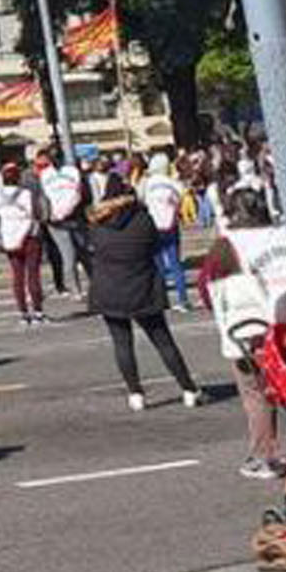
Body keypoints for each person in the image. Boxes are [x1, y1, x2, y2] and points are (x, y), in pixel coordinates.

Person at [203, 188, 286, 478]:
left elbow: (208, 287)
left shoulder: (227, 244)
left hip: (249, 329)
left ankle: (264, 455)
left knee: (256, 394)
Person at [89, 175, 202, 412]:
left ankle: (135, 393)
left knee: (122, 343)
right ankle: (188, 388)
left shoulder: (98, 225)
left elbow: (93, 252)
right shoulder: (143, 220)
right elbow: (155, 246)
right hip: (142, 285)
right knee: (163, 340)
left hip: (109, 287)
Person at [0, 165, 47, 326]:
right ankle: (38, 311)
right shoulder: (26, 194)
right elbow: (34, 215)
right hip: (28, 237)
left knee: (17, 277)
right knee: (33, 274)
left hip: (9, 239)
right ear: (19, 178)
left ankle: (23, 312)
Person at [140, 153, 192, 311]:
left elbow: (142, 200)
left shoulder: (147, 183)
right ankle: (183, 299)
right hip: (171, 225)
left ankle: (161, 300)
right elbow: (182, 197)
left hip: (154, 226)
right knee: (176, 263)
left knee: (158, 265)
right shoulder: (173, 183)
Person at [39, 148, 89, 299]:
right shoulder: (46, 174)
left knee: (82, 253)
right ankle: (76, 290)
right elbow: (45, 197)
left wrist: (67, 210)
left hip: (71, 218)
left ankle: (90, 286)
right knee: (70, 256)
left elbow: (78, 193)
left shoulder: (71, 172)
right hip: (57, 221)